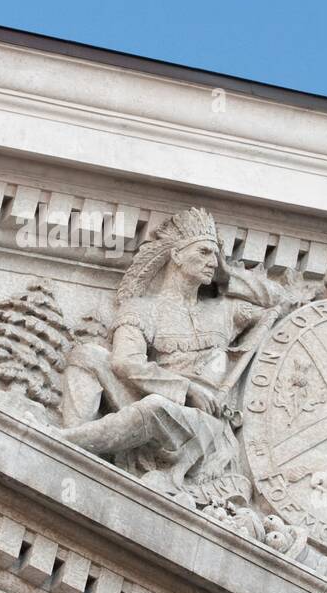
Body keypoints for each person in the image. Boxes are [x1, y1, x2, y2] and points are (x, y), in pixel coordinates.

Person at [58, 207, 285, 493]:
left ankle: (67, 441)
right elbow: (125, 364)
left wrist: (227, 275)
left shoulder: (227, 312)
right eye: (203, 252)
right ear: (176, 256)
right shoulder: (141, 309)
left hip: (202, 422)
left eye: (215, 255)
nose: (212, 262)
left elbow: (281, 301)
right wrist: (185, 388)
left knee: (155, 407)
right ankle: (75, 446)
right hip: (158, 398)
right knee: (87, 355)